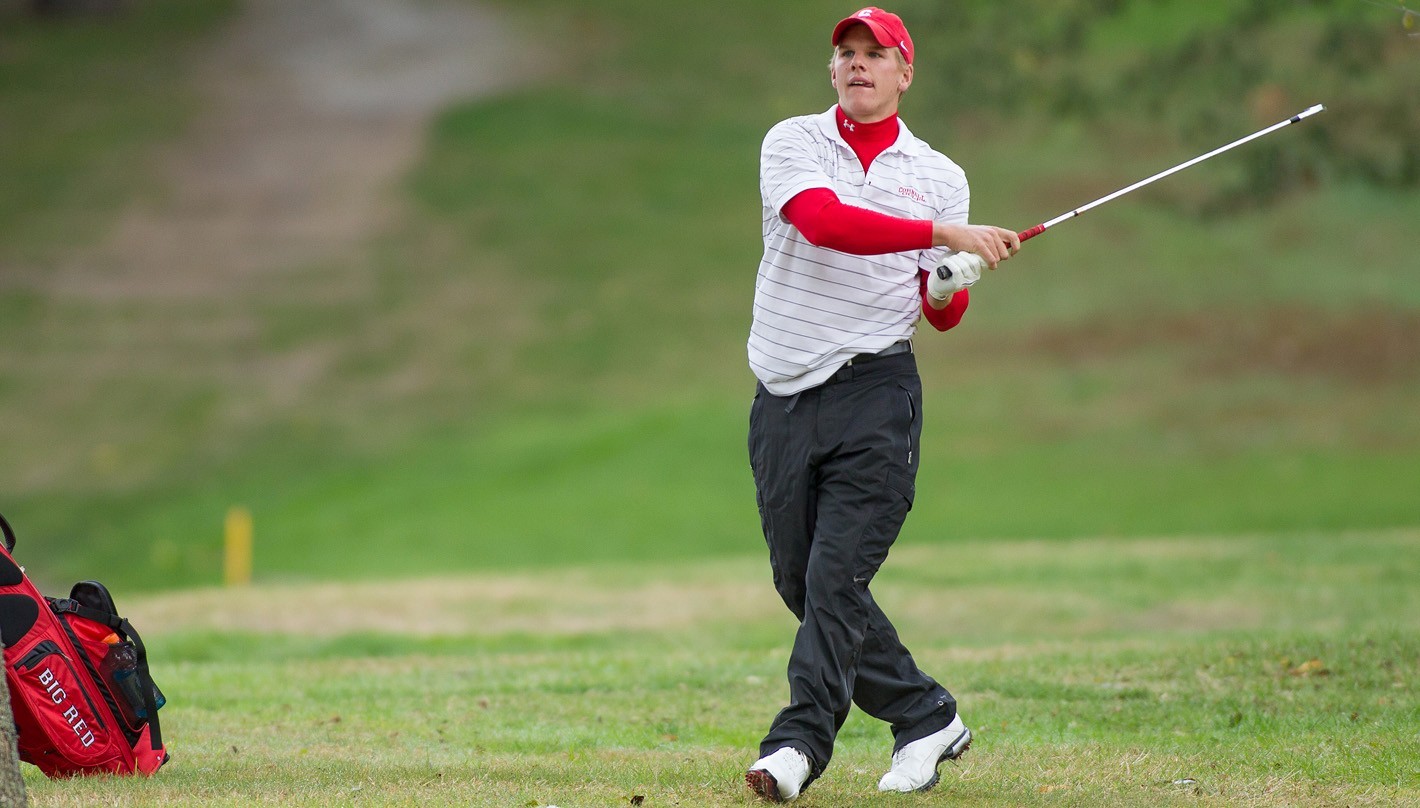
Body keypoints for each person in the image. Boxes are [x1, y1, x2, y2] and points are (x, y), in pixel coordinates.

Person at [743, 6, 1020, 802]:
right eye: (847, 54)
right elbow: (822, 224)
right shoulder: (792, 142)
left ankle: (797, 745)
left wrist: (947, 280)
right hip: (784, 397)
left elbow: (940, 312)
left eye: (877, 53)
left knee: (834, 580)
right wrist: (942, 234)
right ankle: (925, 715)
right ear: (833, 71)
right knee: (801, 581)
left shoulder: (940, 174)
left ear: (905, 72)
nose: (858, 64)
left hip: (876, 396)